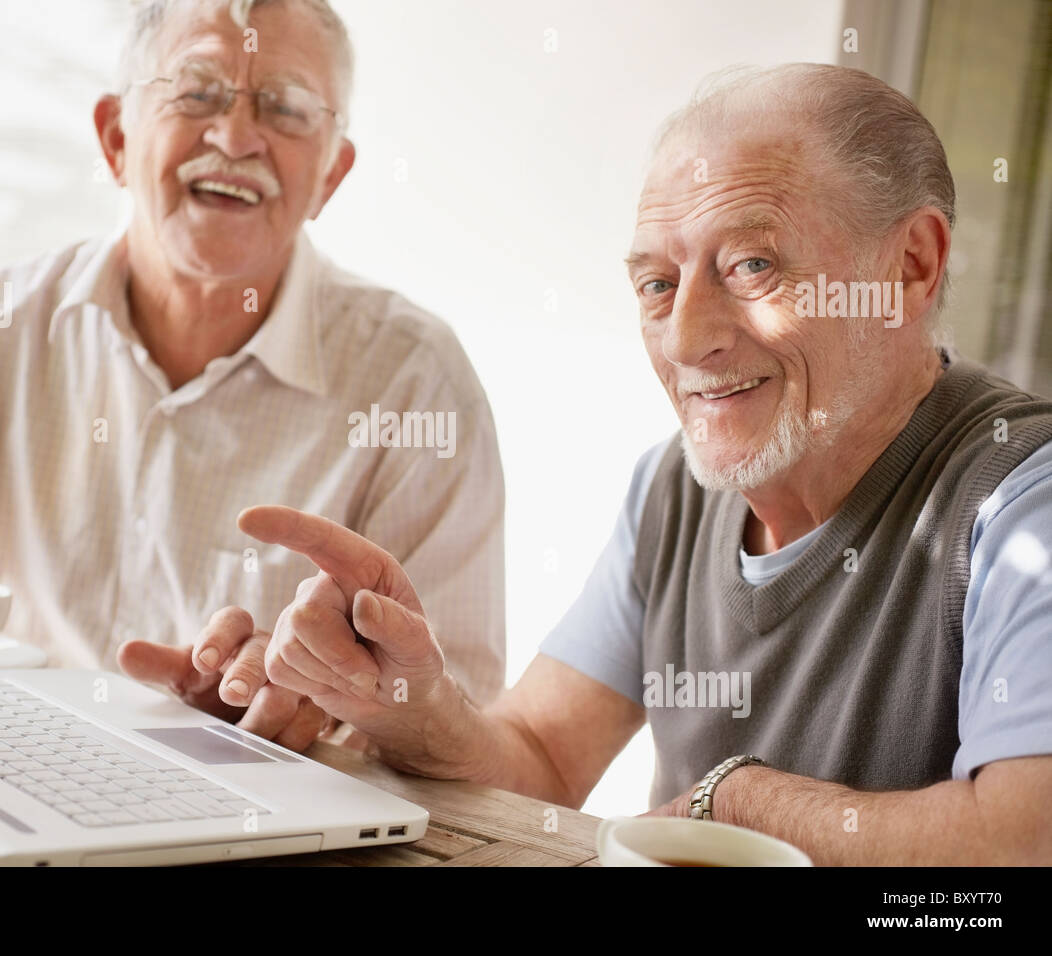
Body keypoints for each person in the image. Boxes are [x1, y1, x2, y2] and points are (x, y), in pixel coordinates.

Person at [231, 64, 1052, 864]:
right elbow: (541, 760)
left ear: (910, 265)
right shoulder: (673, 487)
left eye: (753, 265)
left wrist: (732, 802)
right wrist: (399, 700)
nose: (688, 338)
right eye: (658, 284)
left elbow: (1024, 839)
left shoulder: (1025, 497)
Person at [0, 0, 506, 753]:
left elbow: (452, 727)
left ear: (330, 175)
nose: (236, 138)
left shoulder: (418, 385)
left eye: (286, 108)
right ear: (116, 139)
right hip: (12, 773)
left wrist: (322, 705)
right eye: (196, 93)